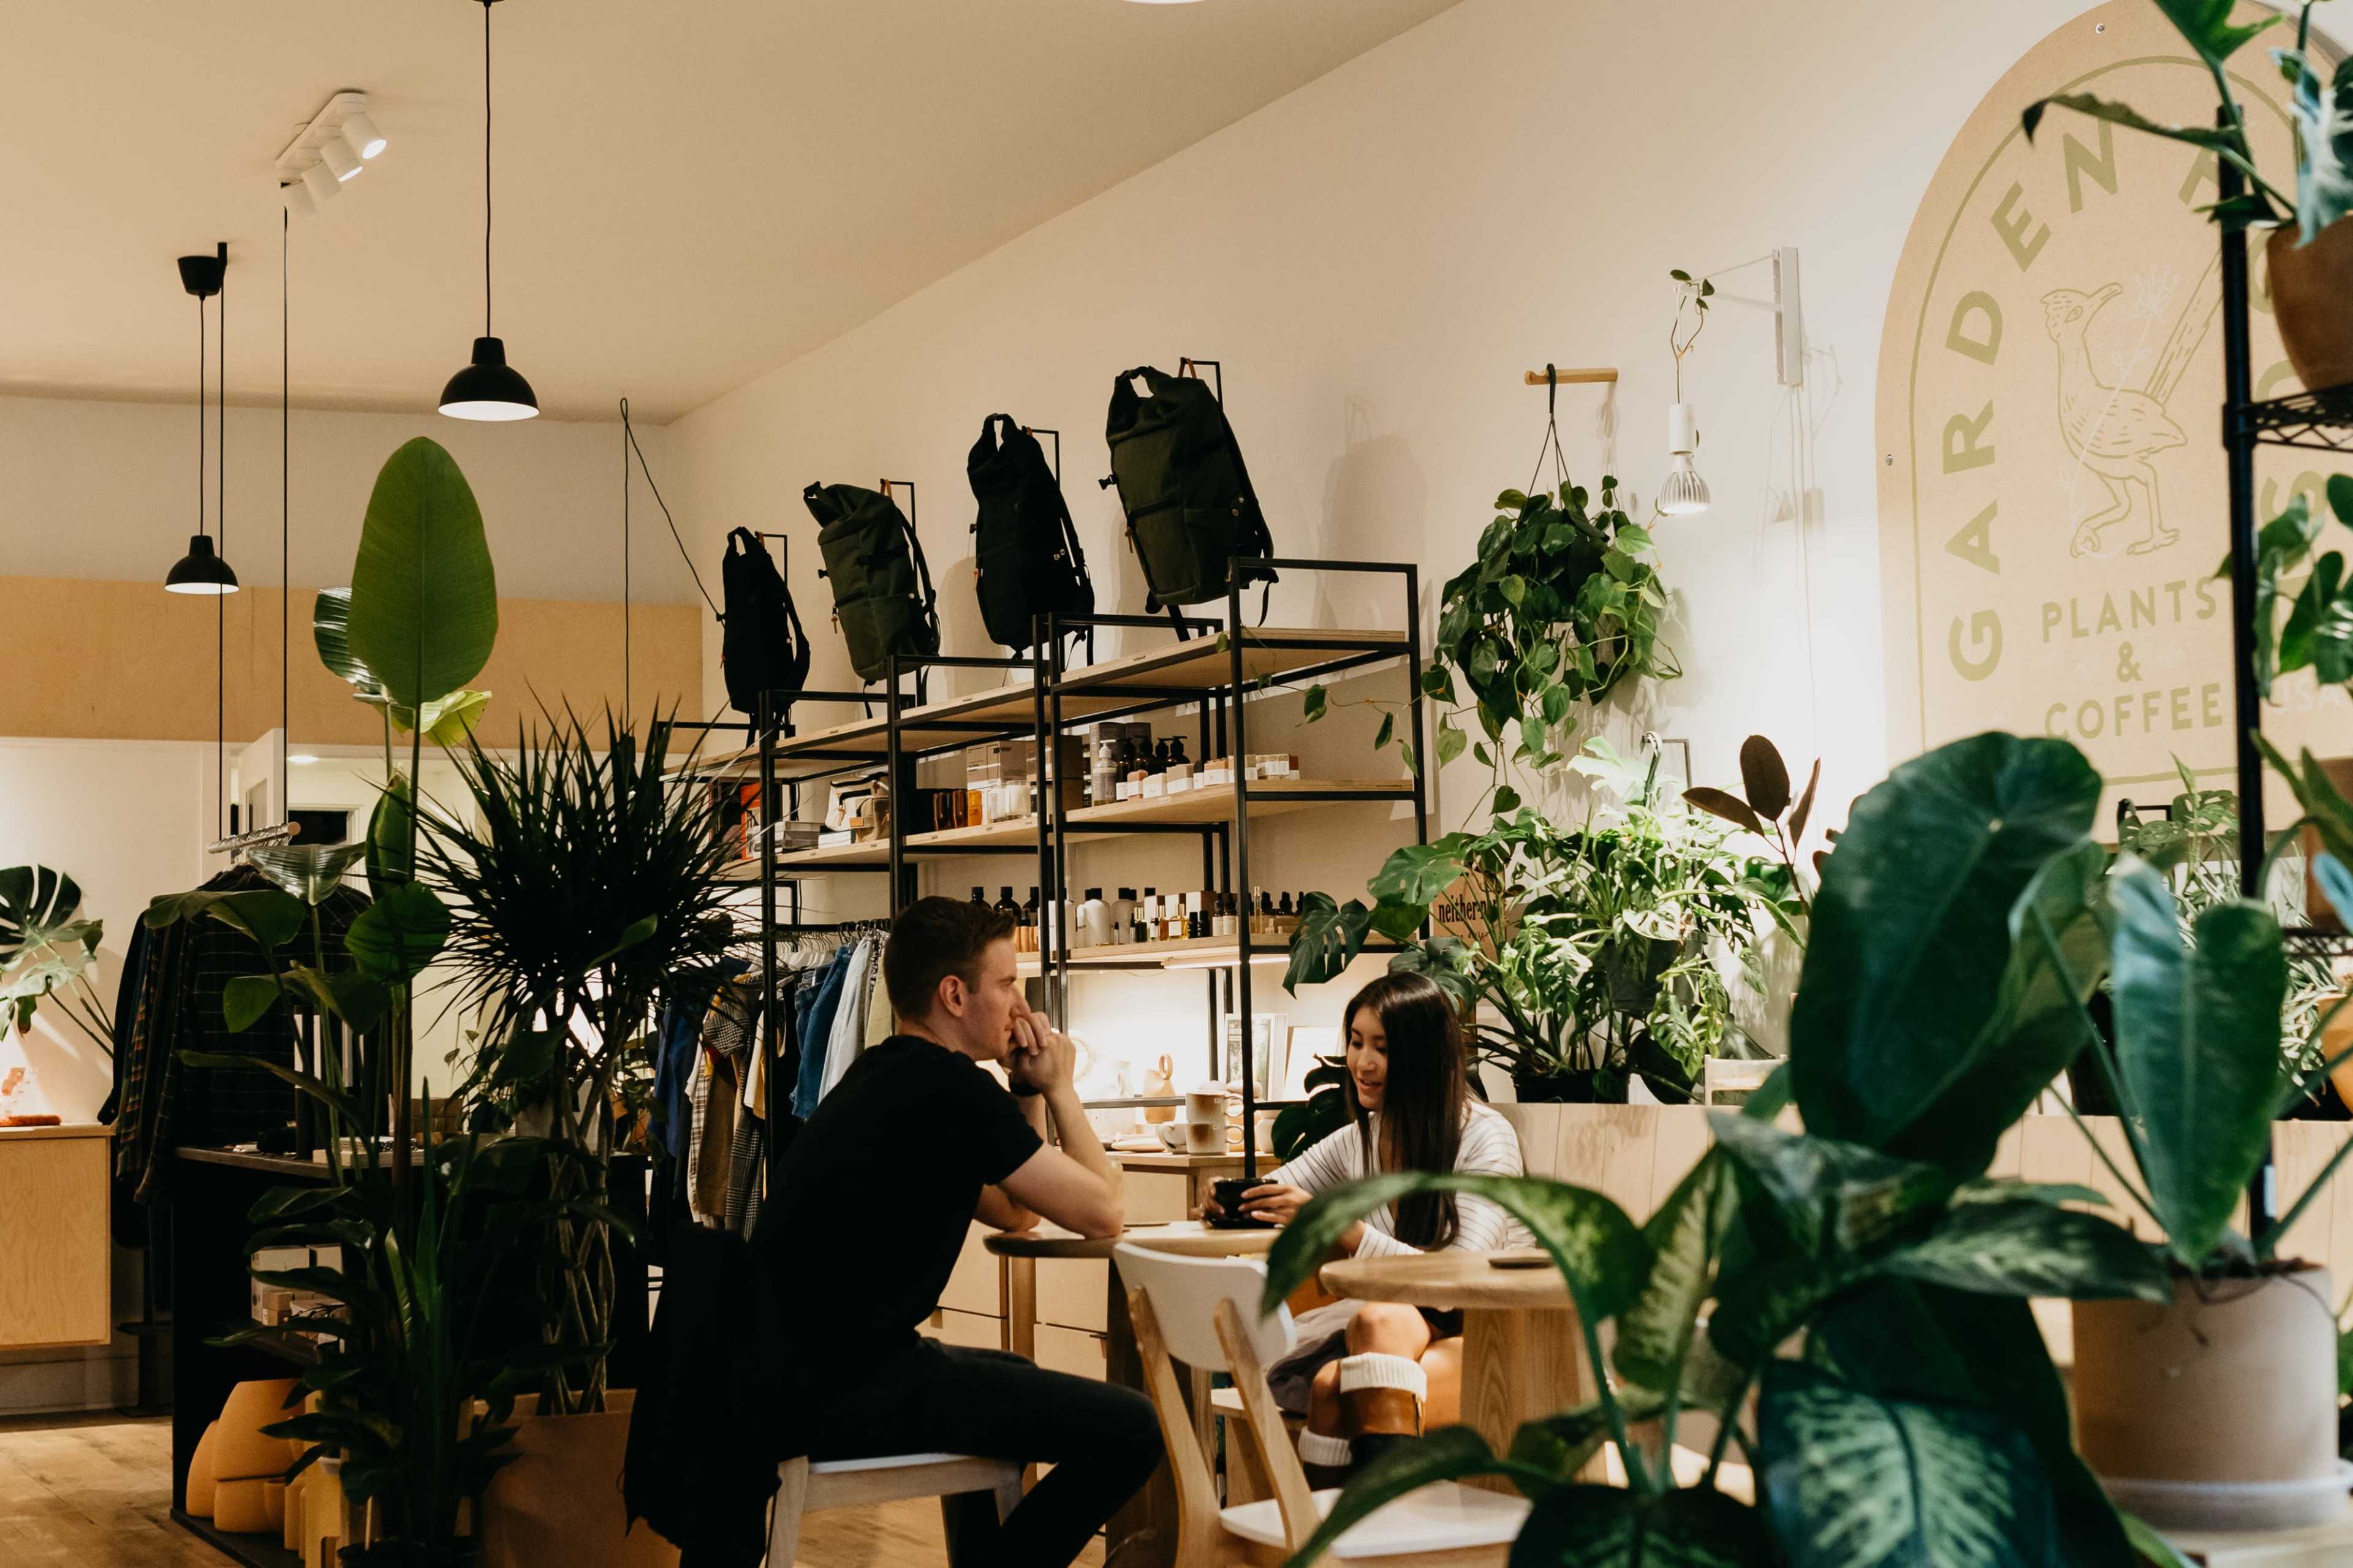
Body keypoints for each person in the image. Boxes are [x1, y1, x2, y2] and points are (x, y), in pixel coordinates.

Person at [753, 896, 1161, 1568]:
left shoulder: (889, 1074)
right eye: (1007, 985)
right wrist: (1060, 1087)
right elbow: (1104, 1212)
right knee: (1133, 1428)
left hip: (794, 1375)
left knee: (1009, 1374)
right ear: (954, 994)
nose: (1021, 1006)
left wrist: (1023, 1089)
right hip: (844, 1389)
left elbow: (1015, 1210)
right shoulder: (949, 1089)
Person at [1204, 971, 1528, 1485]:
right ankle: (1353, 1548)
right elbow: (1278, 1187)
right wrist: (1231, 1203)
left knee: (1359, 1347)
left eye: (1382, 1046)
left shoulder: (1485, 1137)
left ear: (1423, 1056)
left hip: (1500, 1331)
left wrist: (1344, 1229)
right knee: (1346, 1361)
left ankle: (1365, 1543)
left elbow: (1456, 1282)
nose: (1363, 1062)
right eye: (1356, 1042)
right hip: (1411, 1322)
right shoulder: (1361, 1137)